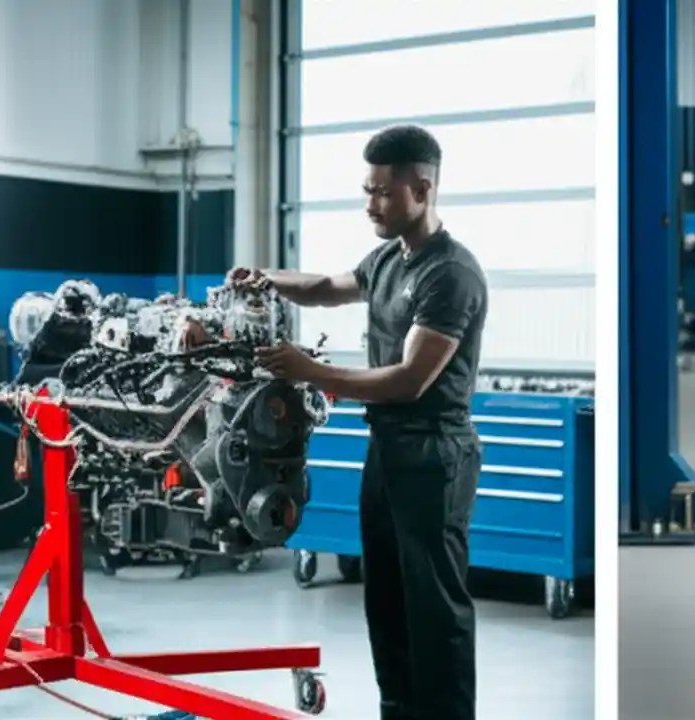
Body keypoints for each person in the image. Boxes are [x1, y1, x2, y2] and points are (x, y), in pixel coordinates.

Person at [229, 125, 488, 720]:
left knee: (435, 611)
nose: (370, 204)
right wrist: (267, 278)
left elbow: (408, 379)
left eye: (383, 193)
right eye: (366, 190)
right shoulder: (387, 258)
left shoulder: (449, 274)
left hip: (434, 457)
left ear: (422, 188)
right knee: (389, 603)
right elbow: (326, 287)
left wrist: (310, 369)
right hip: (389, 452)